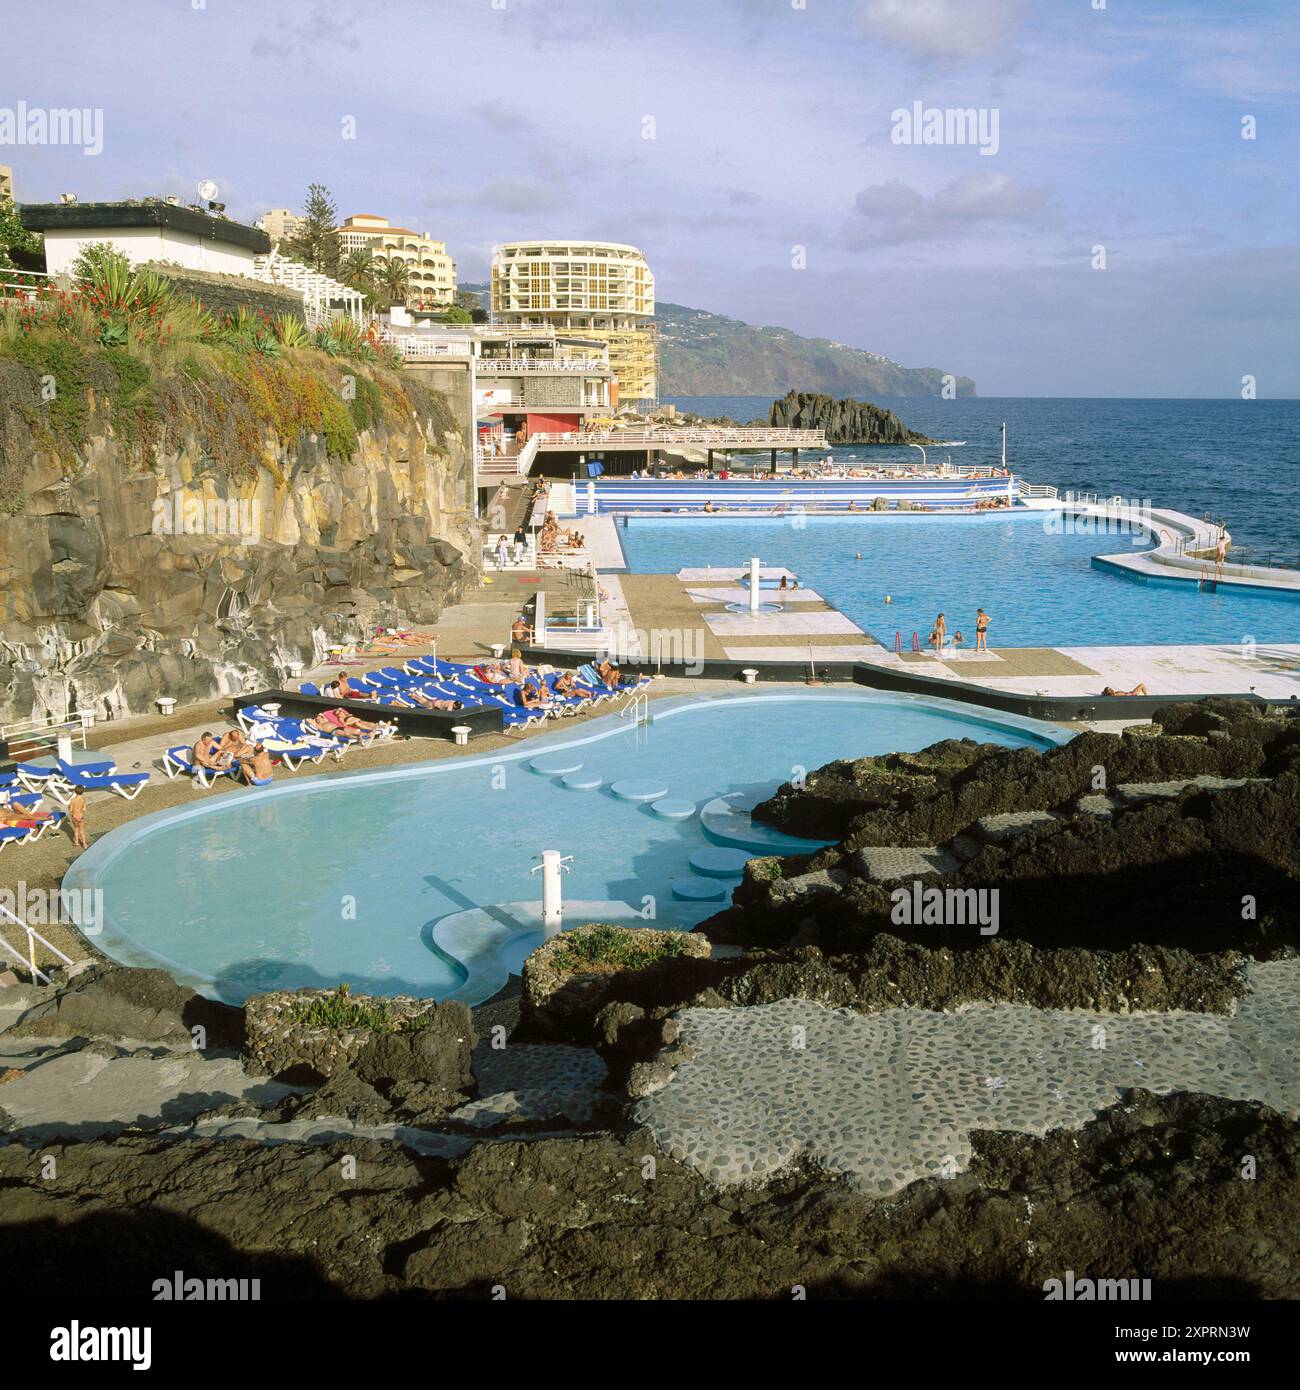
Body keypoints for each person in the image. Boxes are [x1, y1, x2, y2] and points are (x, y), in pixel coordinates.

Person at [68, 785, 88, 850]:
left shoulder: (73, 800)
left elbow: (70, 809)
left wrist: (69, 807)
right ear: (83, 792)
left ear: (75, 791)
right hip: (81, 816)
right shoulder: (83, 799)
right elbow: (84, 808)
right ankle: (84, 844)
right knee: (82, 830)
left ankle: (76, 842)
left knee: (76, 828)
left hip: (74, 816)